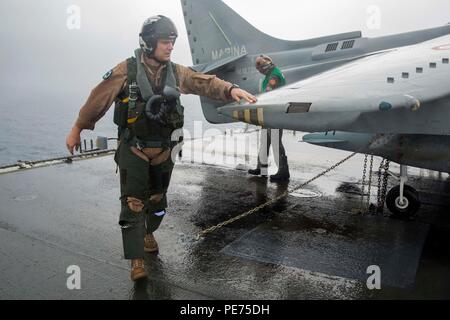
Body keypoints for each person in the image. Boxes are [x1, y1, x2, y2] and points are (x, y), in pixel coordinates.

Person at [65, 15, 257, 282]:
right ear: (149, 43)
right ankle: (136, 260)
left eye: (172, 42)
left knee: (157, 201)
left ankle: (148, 231)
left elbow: (204, 82)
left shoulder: (176, 72)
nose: (170, 47)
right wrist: (78, 127)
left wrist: (230, 89)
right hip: (134, 148)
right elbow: (99, 98)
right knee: (132, 204)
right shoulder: (126, 71)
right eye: (166, 42)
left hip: (165, 149)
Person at [248, 55, 290, 182]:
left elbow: (268, 91)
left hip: (275, 115)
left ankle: (283, 171)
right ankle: (261, 168)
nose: (259, 70)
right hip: (268, 115)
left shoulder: (274, 75)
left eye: (260, 66)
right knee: (265, 141)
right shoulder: (269, 75)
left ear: (267, 63)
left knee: (276, 141)